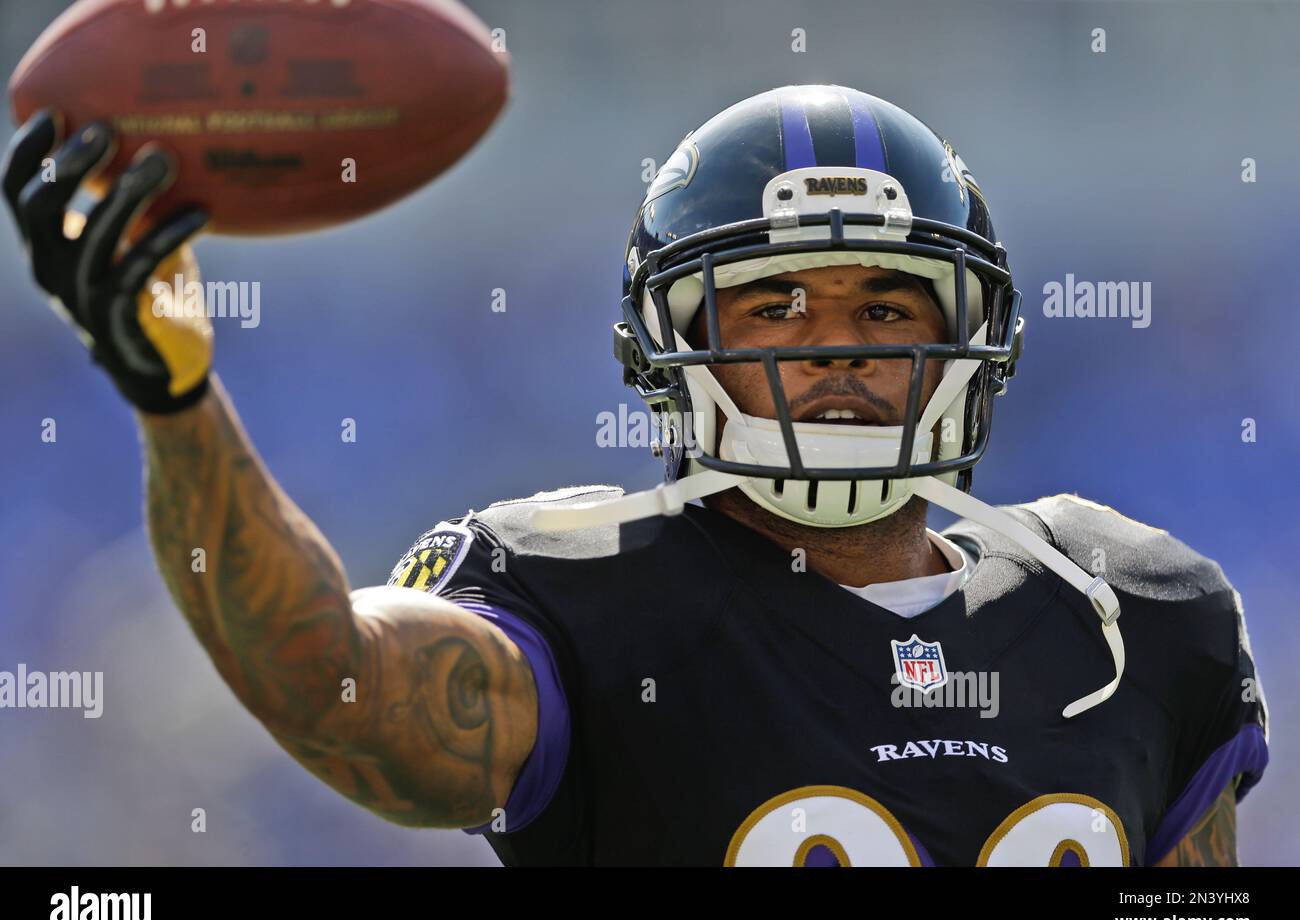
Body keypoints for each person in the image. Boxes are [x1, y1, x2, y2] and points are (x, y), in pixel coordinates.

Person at [2, 85, 1267, 866]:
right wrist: (178, 400)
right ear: (676, 343)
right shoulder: (589, 599)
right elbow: (328, 681)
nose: (837, 345)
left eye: (887, 305)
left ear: (972, 334)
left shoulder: (1134, 612)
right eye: (774, 305)